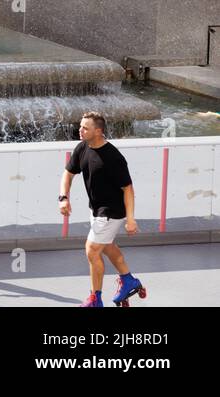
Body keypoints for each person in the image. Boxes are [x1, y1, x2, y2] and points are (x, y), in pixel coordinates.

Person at [61, 112, 143, 307]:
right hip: (96, 209)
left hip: (111, 212)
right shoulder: (82, 147)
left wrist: (130, 219)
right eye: (80, 126)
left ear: (98, 131)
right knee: (106, 246)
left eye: (85, 128)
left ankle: (95, 299)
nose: (80, 130)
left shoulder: (113, 157)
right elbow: (68, 173)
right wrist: (63, 197)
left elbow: (128, 189)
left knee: (92, 250)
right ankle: (129, 280)